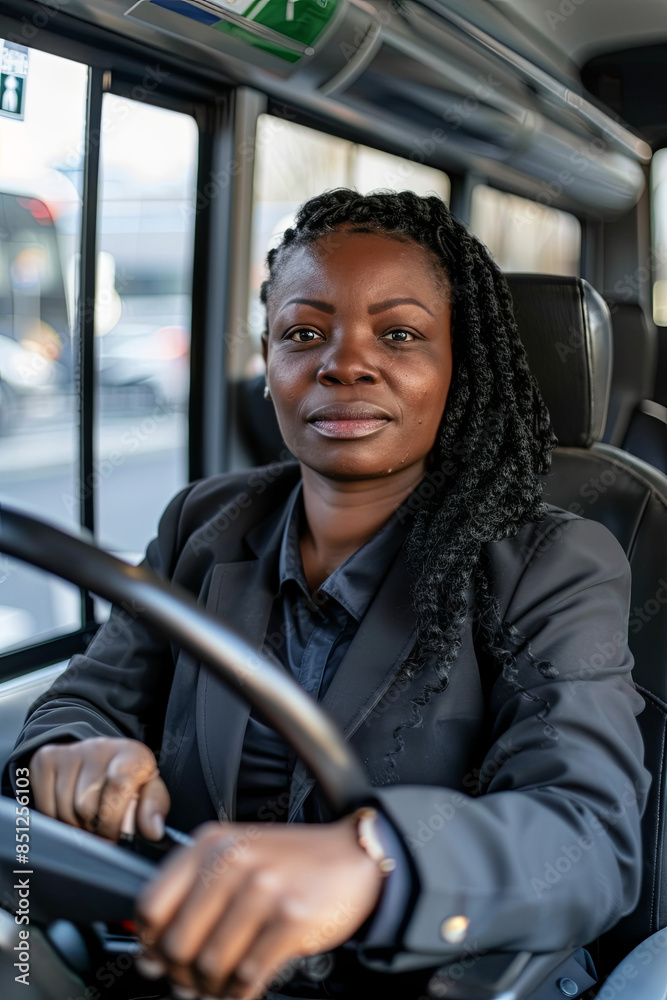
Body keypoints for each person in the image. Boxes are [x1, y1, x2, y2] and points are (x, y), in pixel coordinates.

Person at [7, 189, 649, 1000]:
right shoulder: (205, 522)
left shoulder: (554, 561)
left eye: (400, 335)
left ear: (459, 366)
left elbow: (587, 834)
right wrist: (72, 754)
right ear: (269, 362)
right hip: (193, 964)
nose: (343, 362)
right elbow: (81, 703)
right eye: (303, 334)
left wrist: (373, 862)